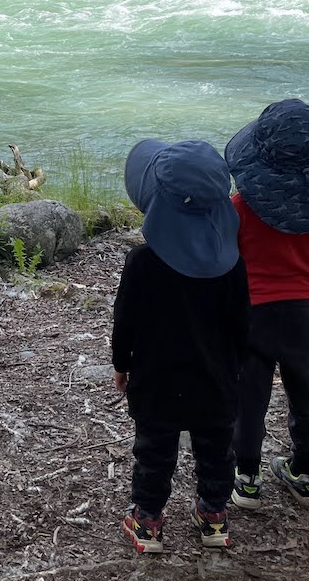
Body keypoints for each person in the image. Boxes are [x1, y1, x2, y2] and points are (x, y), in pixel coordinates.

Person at [112, 139, 248, 553]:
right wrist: (236, 369)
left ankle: (148, 522)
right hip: (216, 378)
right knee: (217, 451)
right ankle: (213, 517)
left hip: (156, 380)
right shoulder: (232, 264)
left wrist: (122, 365)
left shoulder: (142, 263)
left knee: (154, 452)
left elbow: (125, 323)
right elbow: (242, 325)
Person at [223, 99, 309, 510]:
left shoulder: (238, 209)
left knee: (248, 399)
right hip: (302, 314)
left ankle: (246, 477)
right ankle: (305, 472)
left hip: (250, 315)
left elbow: (225, 263)